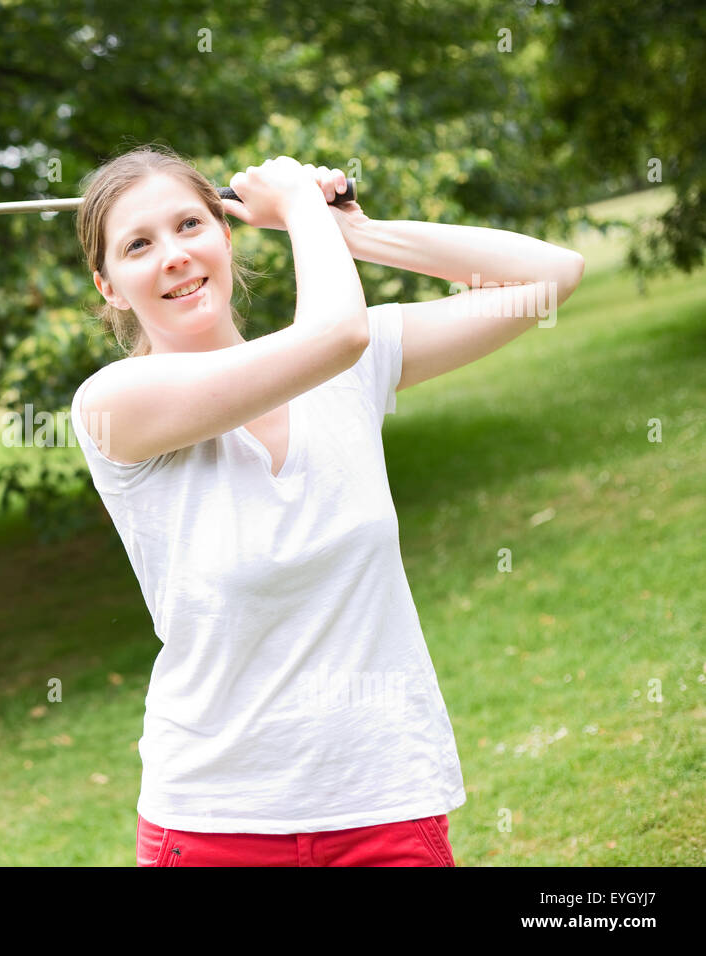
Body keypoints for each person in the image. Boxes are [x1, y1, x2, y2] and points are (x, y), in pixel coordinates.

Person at [68, 144, 584, 866]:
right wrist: (301, 204)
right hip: (216, 823)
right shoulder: (112, 404)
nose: (175, 256)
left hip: (384, 800)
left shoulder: (352, 369)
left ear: (226, 233)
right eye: (138, 245)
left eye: (190, 225)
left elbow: (552, 276)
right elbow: (335, 334)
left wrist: (354, 232)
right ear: (110, 286)